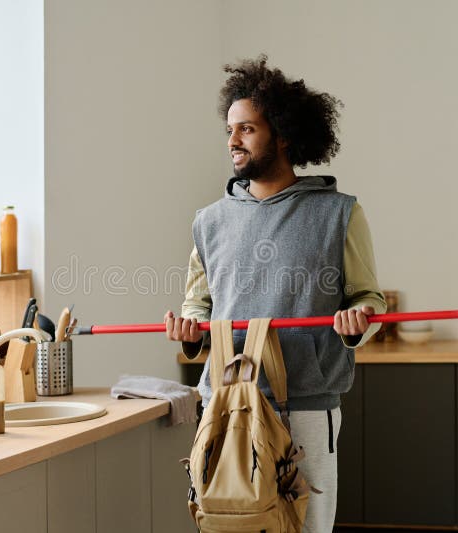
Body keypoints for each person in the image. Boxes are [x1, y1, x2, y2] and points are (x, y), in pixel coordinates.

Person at [164, 55, 386, 533]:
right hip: (225, 402)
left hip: (307, 404)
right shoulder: (209, 221)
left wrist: (357, 321)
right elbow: (198, 304)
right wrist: (190, 332)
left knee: (308, 526)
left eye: (246, 129)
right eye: (230, 130)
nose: (232, 140)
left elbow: (368, 297)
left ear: (283, 134)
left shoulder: (340, 214)